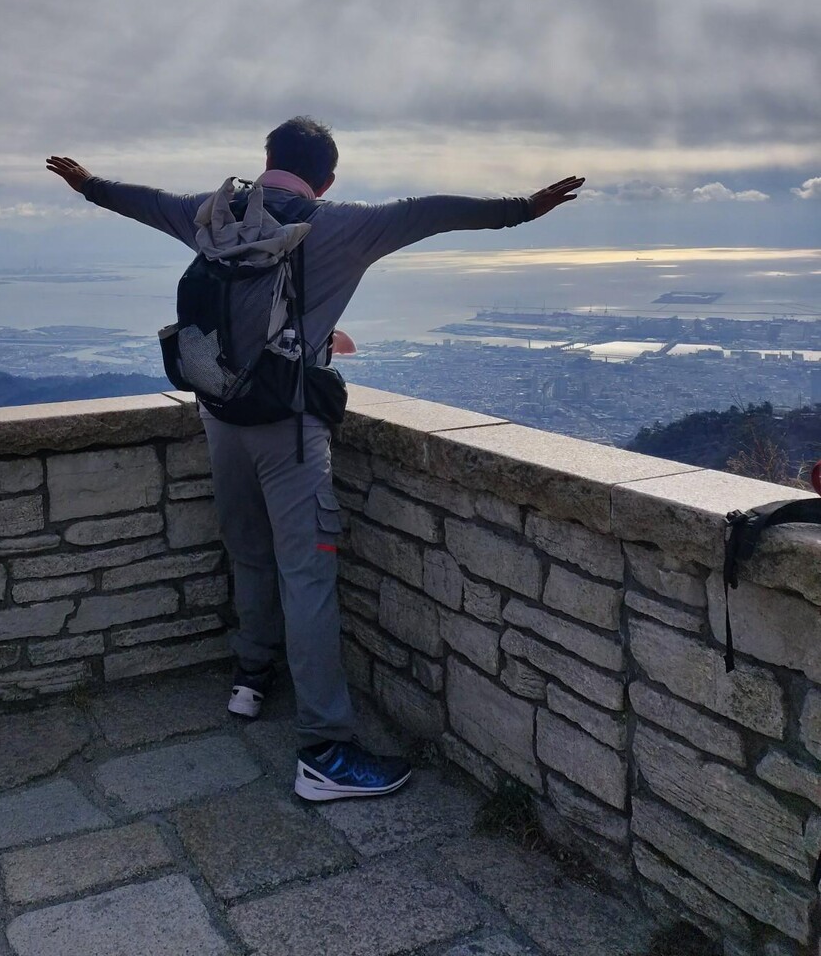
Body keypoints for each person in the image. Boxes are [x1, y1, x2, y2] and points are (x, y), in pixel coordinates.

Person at [48, 118, 583, 801]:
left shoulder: (210, 215)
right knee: (309, 576)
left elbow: (143, 201)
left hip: (220, 416)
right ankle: (324, 751)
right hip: (287, 429)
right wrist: (521, 211)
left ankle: (250, 676)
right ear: (327, 178)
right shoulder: (340, 226)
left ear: (266, 159)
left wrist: (87, 183)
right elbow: (431, 214)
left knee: (248, 550)